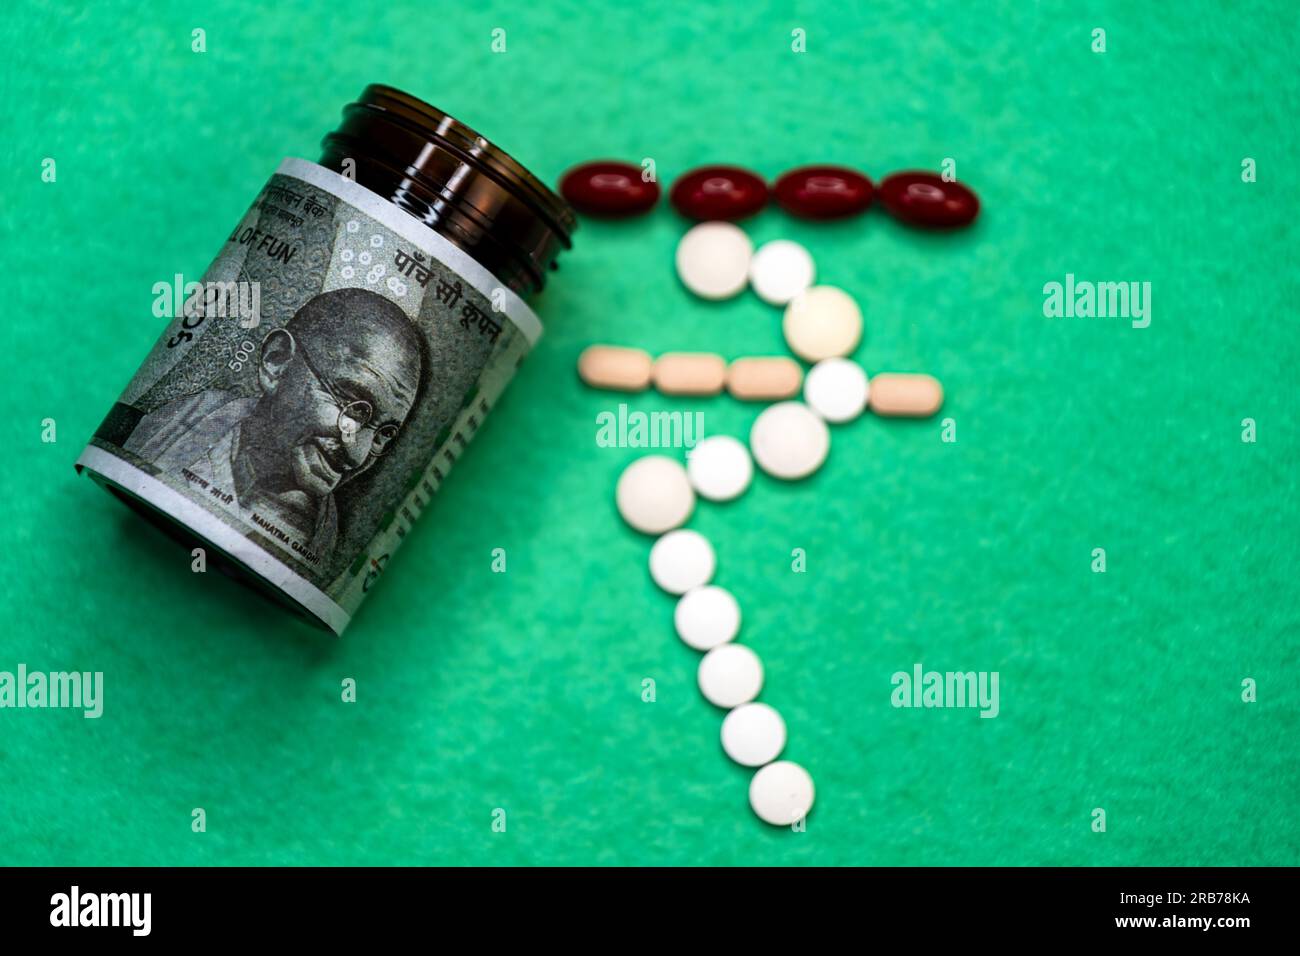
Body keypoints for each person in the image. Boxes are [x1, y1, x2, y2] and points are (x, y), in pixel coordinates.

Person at [124, 288, 424, 562]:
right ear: (277, 362)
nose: (356, 453)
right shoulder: (156, 429)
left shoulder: (325, 551)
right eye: (352, 406)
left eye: (383, 434)